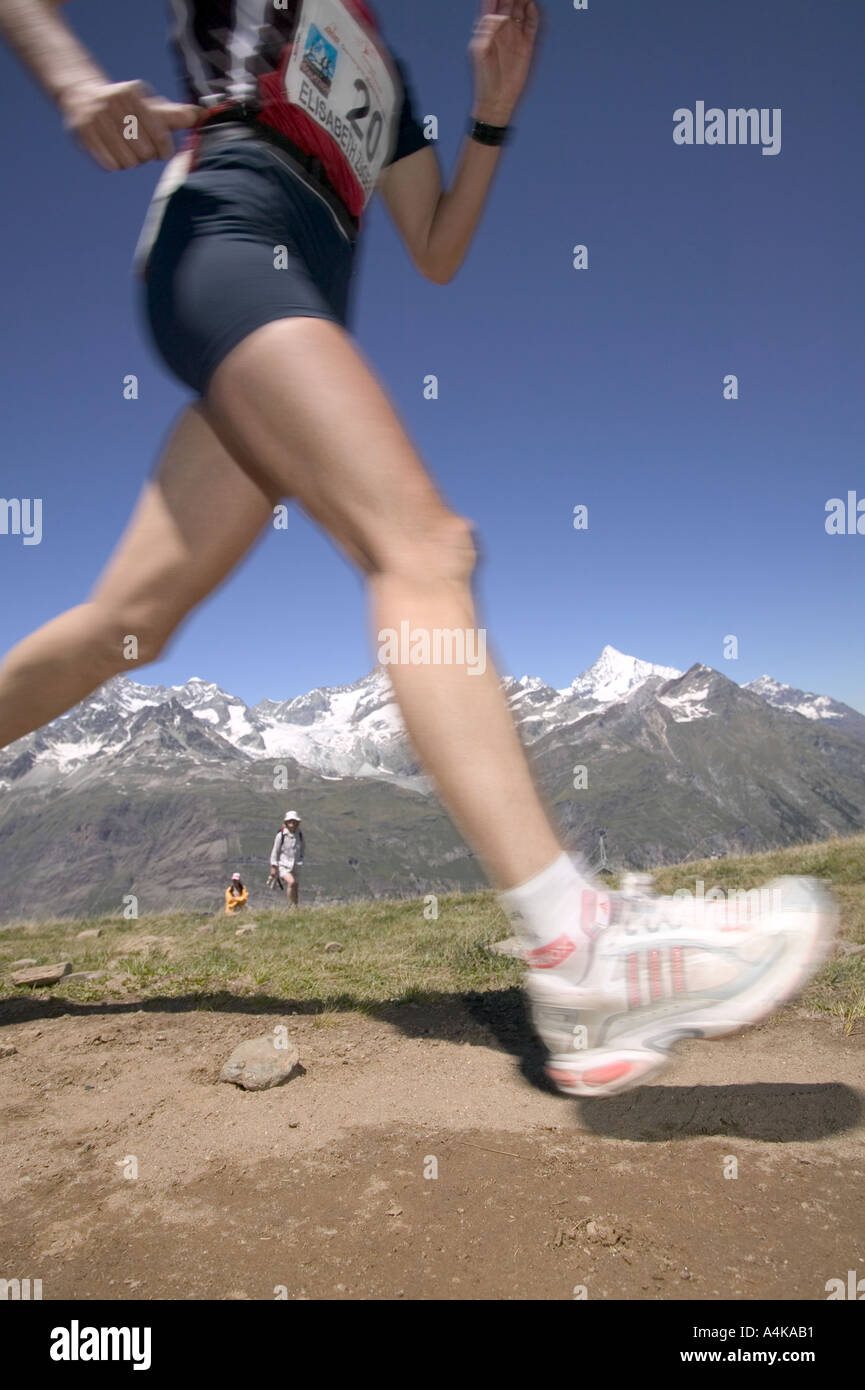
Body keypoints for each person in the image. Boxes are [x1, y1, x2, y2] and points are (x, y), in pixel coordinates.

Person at [0, 1, 835, 1098]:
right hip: (224, 240)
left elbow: (434, 247)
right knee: (422, 543)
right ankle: (578, 951)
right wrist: (69, 80)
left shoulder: (384, 73)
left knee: (128, 625)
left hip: (290, 304)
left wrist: (492, 113)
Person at [269, 812, 305, 908]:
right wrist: (273, 866)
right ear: (286, 822)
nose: (292, 823)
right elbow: (275, 851)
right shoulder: (281, 835)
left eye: (294, 821)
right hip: (283, 865)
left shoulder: (299, 835)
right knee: (291, 882)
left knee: (295, 887)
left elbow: (302, 848)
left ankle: (295, 907)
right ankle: (290, 905)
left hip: (296, 866)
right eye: (290, 821)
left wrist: (300, 859)